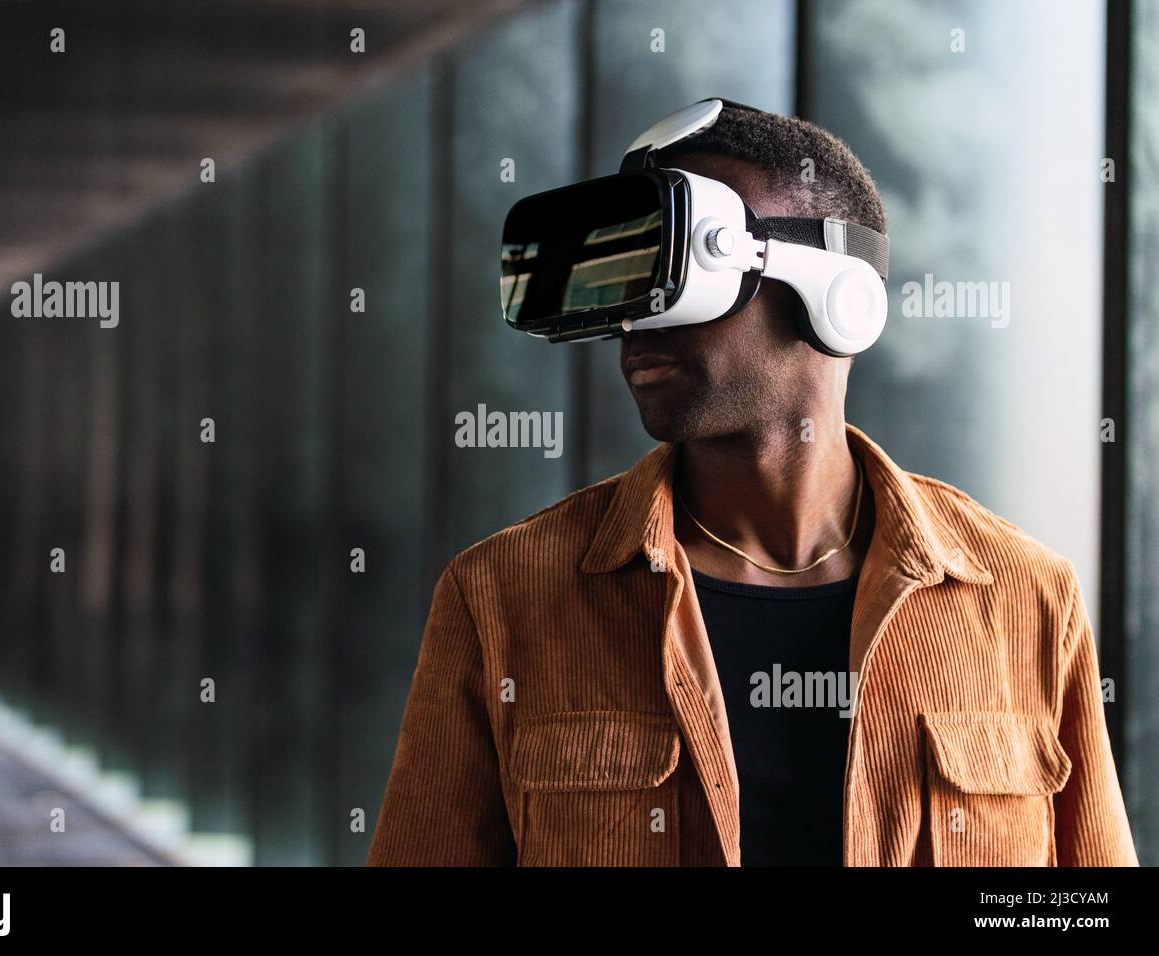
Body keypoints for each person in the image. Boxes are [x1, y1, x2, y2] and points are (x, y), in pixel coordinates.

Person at [366, 102, 1137, 867]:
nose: (638, 321)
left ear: (838, 299)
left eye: (680, 269)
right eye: (629, 280)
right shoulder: (501, 595)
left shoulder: (1026, 597)